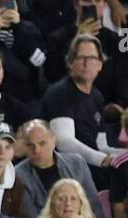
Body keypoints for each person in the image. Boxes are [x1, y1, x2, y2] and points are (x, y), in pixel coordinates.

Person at [39, 33, 118, 179]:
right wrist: (102, 159)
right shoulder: (59, 93)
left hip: (93, 169)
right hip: (67, 172)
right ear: (70, 63)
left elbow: (101, 145)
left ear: (100, 64)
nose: (87, 64)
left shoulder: (97, 96)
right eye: (81, 58)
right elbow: (64, 142)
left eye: (92, 58)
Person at [6, 119, 107, 218]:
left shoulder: (76, 163)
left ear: (53, 141)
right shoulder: (18, 175)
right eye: (31, 145)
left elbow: (92, 203)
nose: (37, 150)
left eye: (42, 143)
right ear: (25, 147)